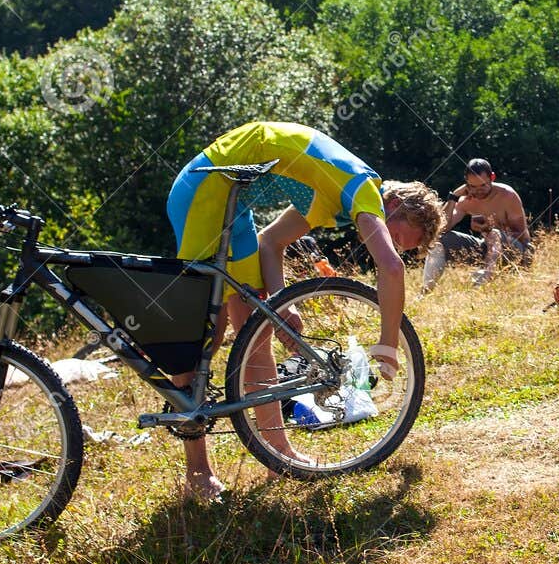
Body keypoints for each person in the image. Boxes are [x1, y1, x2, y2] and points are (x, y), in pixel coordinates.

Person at [166, 121, 442, 501]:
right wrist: (388, 346)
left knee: (254, 332)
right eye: (395, 237)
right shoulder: (361, 187)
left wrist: (281, 305)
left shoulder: (331, 196)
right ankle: (198, 472)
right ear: (394, 206)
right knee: (199, 337)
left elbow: (271, 243)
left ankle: (278, 455)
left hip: (234, 198)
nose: (388, 244)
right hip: (205, 186)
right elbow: (391, 268)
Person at [421, 158, 533, 290]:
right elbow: (442, 229)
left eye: (483, 185)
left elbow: (521, 234)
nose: (478, 191)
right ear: (466, 183)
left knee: (494, 234)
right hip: (486, 248)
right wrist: (454, 197)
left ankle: (481, 284)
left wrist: (489, 230)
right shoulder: (466, 200)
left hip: (518, 252)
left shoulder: (507, 195)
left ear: (492, 177)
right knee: (439, 240)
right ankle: (425, 290)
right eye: (473, 186)